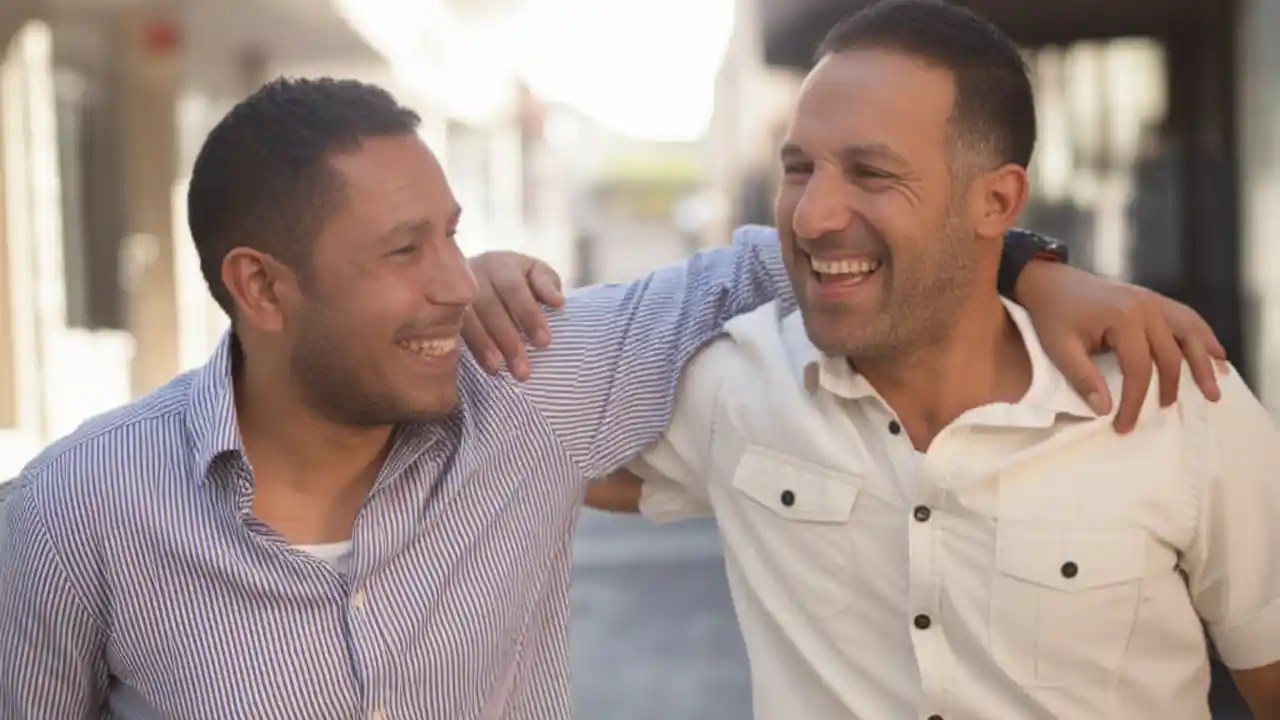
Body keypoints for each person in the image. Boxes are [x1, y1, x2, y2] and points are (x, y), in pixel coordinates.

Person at [0, 72, 1224, 720]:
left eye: (452, 238)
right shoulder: (77, 513)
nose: (450, 286)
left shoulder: (521, 378)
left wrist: (1036, 269)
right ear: (258, 290)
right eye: (398, 254)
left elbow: (786, 260)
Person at [472, 2, 1280, 717]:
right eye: (799, 169)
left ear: (996, 201)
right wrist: (470, 301)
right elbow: (532, 442)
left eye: (871, 173)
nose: (815, 215)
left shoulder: (1179, 400)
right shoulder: (735, 384)